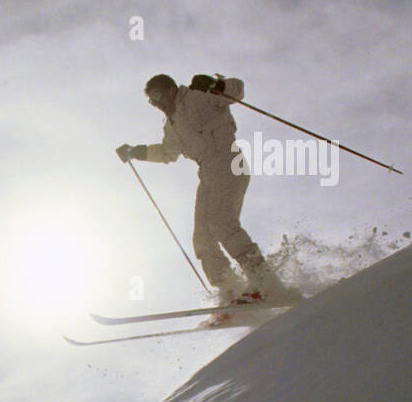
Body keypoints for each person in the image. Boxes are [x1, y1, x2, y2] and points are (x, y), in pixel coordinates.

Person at [116, 73, 294, 307]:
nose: (156, 103)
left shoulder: (198, 96)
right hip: (208, 173)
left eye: (158, 96)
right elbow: (168, 153)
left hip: (228, 162)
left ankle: (264, 281)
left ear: (171, 90)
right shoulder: (172, 124)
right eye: (151, 101)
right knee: (202, 238)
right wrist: (136, 152)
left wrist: (216, 85)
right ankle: (229, 288)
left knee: (223, 224)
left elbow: (236, 91)